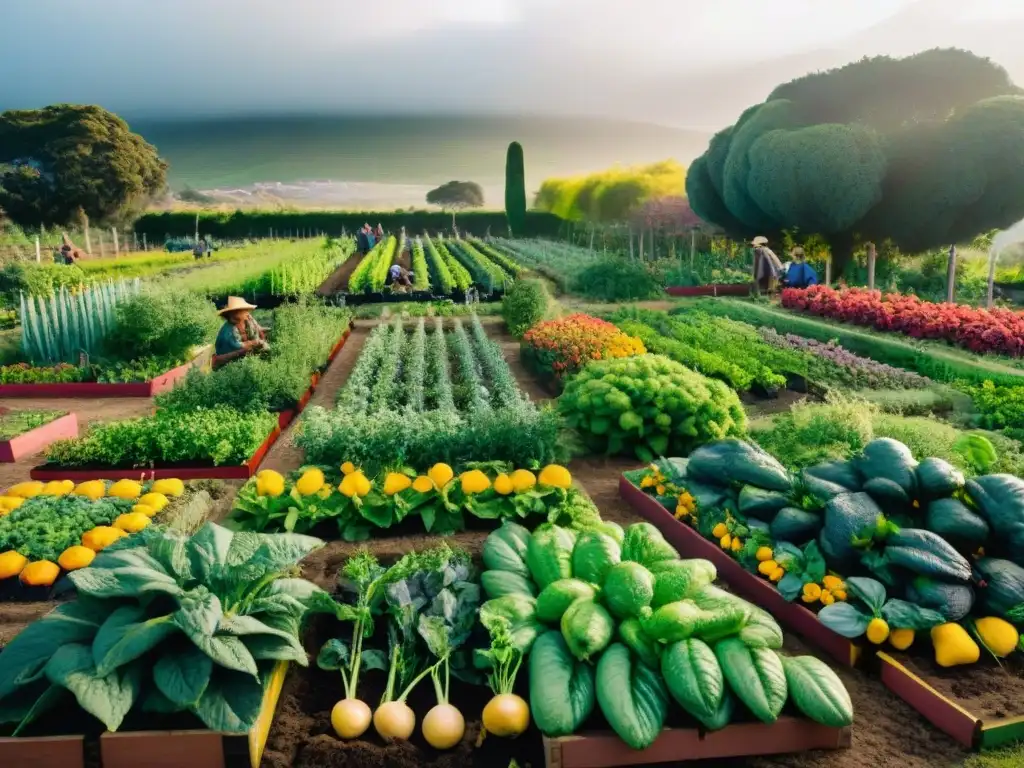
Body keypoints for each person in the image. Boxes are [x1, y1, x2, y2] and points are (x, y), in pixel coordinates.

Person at [213, 296, 268, 368]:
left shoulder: (247, 318)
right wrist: (255, 342)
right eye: (244, 310)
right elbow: (237, 346)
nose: (247, 312)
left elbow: (257, 328)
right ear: (235, 313)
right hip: (227, 355)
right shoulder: (229, 330)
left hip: (243, 350)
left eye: (246, 310)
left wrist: (261, 335)